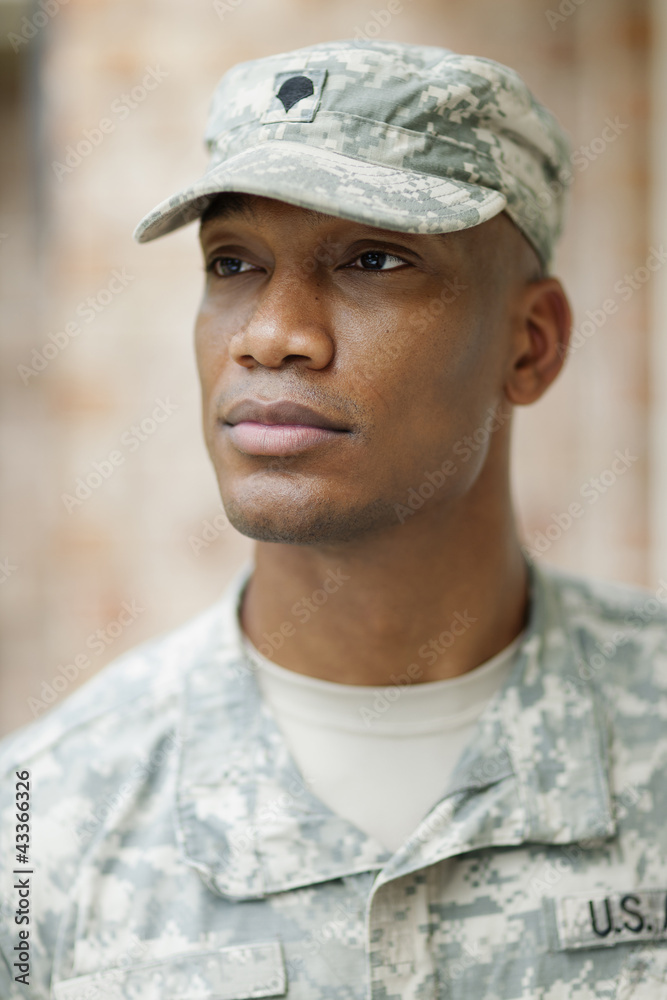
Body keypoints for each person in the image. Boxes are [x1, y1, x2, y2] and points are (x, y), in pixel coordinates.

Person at [1, 38, 666, 1000]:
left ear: (530, 345)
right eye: (232, 263)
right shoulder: (45, 817)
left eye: (373, 259)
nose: (272, 333)